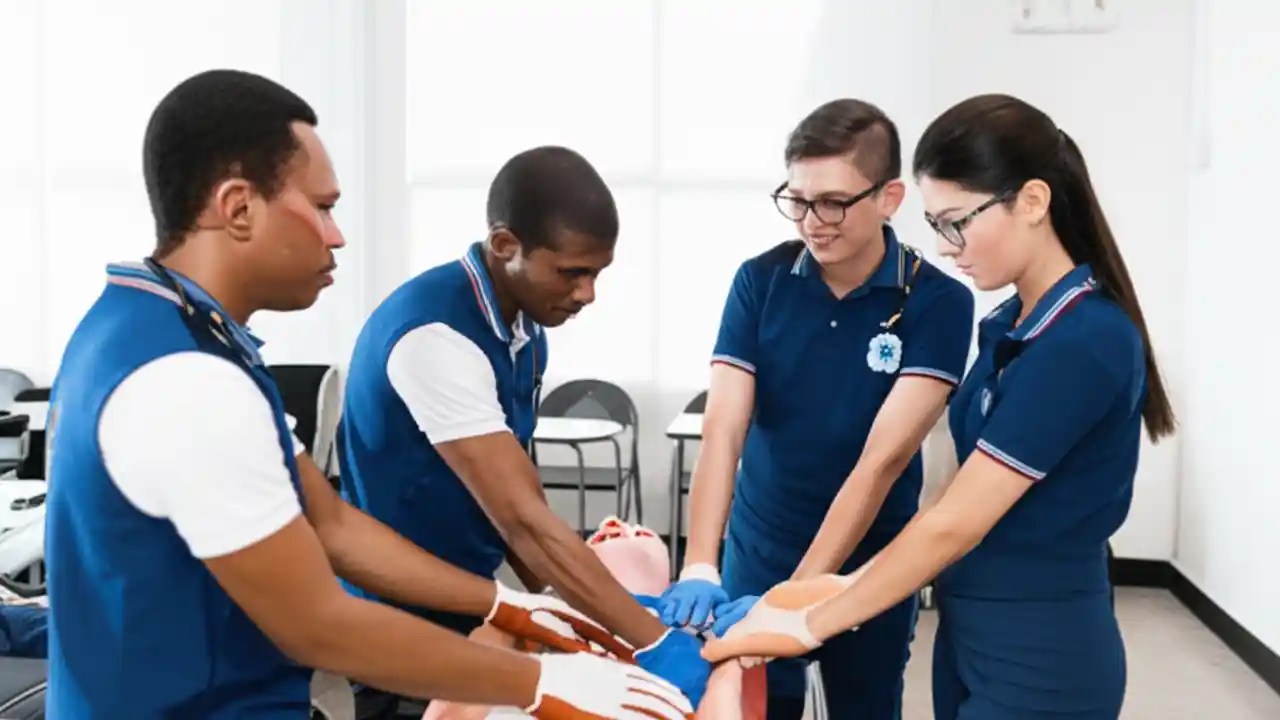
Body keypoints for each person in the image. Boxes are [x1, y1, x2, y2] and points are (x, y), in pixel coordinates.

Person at [42, 69, 694, 720]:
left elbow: (329, 522)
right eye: (322, 207)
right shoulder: (191, 380)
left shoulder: (154, 330)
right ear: (238, 208)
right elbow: (318, 625)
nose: (336, 235)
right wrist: (536, 681)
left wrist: (505, 603)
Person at [701, 93, 1177, 720]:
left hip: (1038, 645)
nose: (949, 245)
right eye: (938, 225)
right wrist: (815, 588)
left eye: (958, 220)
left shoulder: (1083, 341)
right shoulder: (1010, 323)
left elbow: (954, 518)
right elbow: (950, 500)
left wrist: (811, 617)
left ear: (1032, 202)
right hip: (968, 626)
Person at [337, 146, 711, 705]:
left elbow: (515, 487)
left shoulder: (522, 330)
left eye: (598, 273)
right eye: (572, 273)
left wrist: (574, 608)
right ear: (505, 246)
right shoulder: (436, 336)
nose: (587, 294)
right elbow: (523, 521)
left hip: (470, 597)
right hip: (398, 618)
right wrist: (650, 640)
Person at [658, 98, 975, 719]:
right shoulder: (761, 281)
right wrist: (701, 559)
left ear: (889, 198)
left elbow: (881, 462)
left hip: (869, 567)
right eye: (797, 200)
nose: (812, 220)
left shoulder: (938, 302)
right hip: (760, 548)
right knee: (755, 704)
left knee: (863, 704)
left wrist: (802, 595)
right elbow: (723, 429)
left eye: (833, 201)